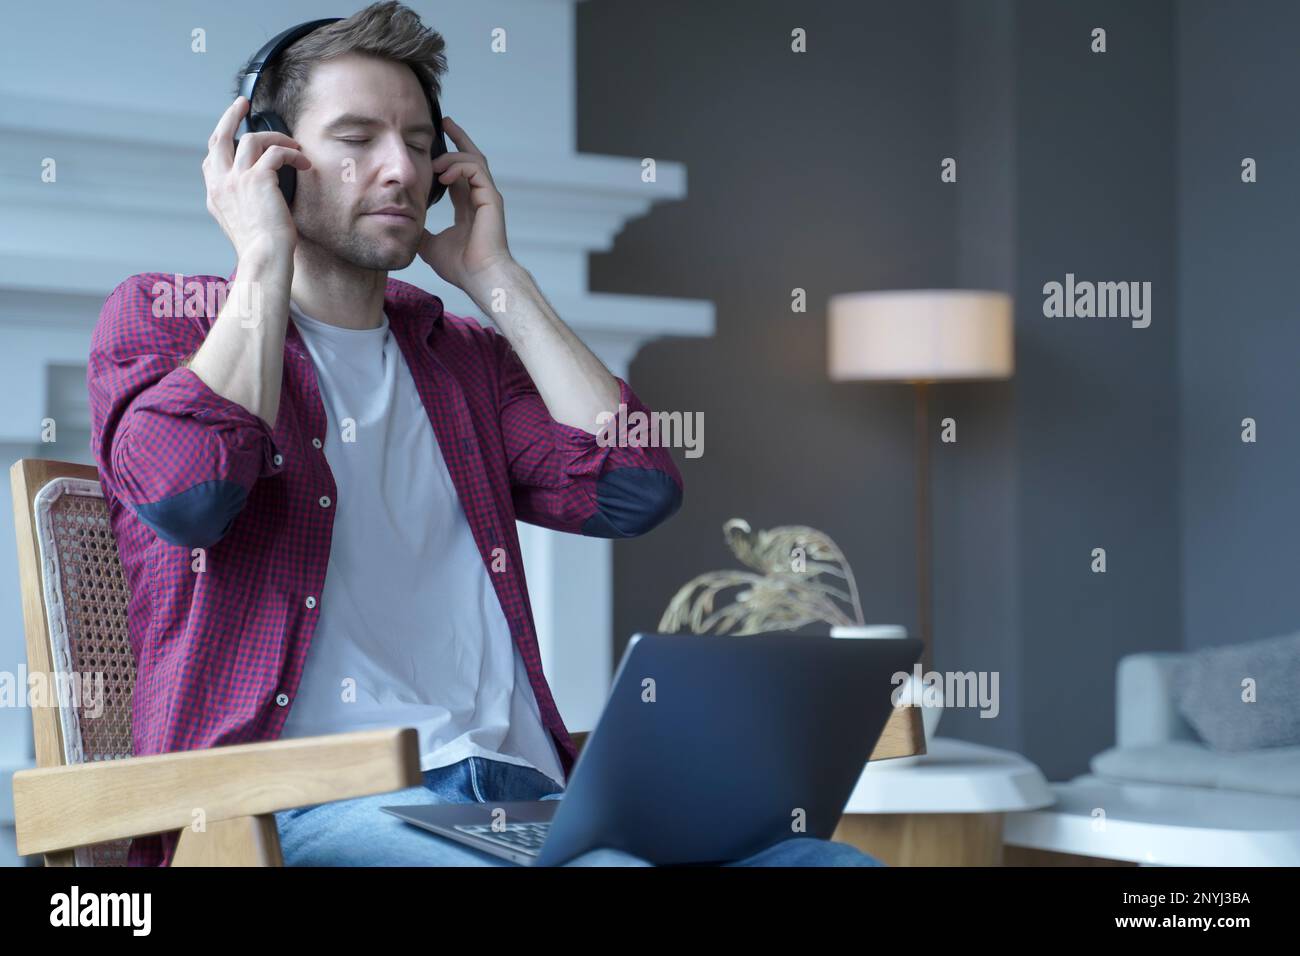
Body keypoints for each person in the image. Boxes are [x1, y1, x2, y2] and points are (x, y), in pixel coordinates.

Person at [86, 1, 881, 867]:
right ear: (266, 159)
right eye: (356, 138)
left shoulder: (462, 358)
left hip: (524, 796)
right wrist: (263, 257)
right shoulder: (167, 320)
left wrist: (494, 276)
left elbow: (637, 486)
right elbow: (190, 496)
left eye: (420, 143)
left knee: (833, 863)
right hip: (303, 810)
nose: (401, 169)